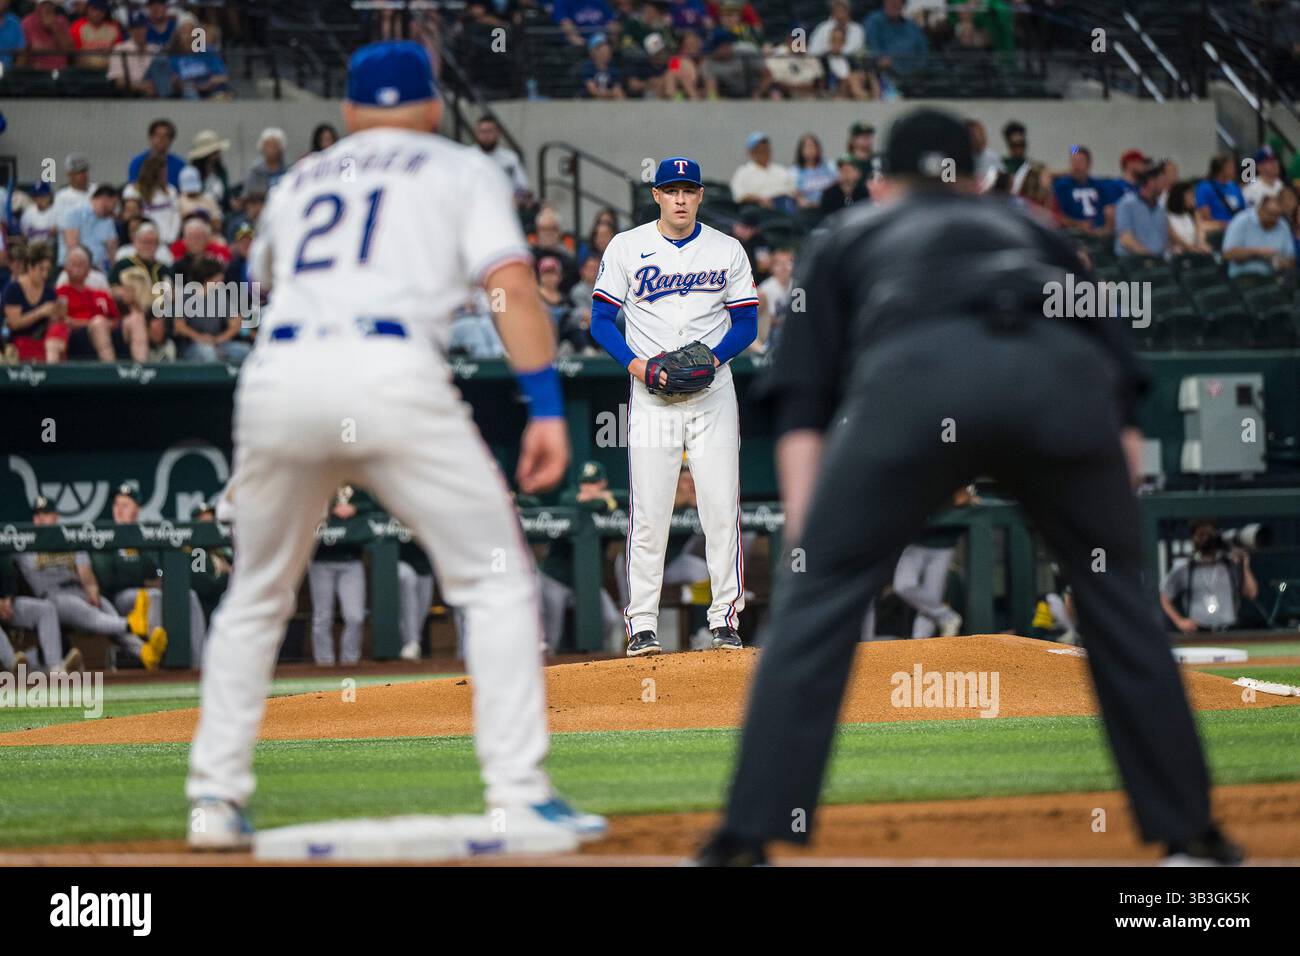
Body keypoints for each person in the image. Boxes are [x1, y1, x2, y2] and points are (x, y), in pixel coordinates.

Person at [694, 107, 1240, 867]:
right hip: (1063, 383)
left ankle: (744, 841)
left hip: (915, 378)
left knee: (817, 599)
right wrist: (1114, 526)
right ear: (981, 181)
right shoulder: (1036, 231)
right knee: (1120, 602)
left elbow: (803, 403)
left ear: (880, 184)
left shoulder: (849, 234)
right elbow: (1123, 386)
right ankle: (1194, 838)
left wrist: (808, 539)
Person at [185, 40, 602, 851]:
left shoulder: (297, 180)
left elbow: (264, 282)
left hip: (279, 373)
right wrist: (545, 404)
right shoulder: (457, 167)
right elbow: (510, 285)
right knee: (492, 581)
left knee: (257, 594)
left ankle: (212, 801)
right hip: (390, 368)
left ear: (346, 113)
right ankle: (518, 795)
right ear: (433, 109)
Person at [589, 156, 757, 656]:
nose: (680, 199)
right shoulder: (627, 246)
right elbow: (600, 321)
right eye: (671, 190)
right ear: (657, 196)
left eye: (689, 190)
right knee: (649, 513)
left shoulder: (727, 249)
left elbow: (746, 325)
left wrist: (710, 359)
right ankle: (641, 623)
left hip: (712, 396)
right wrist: (639, 366)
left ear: (700, 196)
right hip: (652, 396)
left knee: (720, 509)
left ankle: (725, 619)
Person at [16, 496, 167, 670]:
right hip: (51, 596)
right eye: (37, 515)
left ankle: (144, 653)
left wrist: (92, 589)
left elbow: (85, 572)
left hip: (77, 589)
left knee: (103, 605)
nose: (40, 519)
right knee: (82, 610)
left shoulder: (68, 538)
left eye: (46, 514)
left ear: (56, 516)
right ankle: (131, 623)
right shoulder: (24, 541)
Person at [95, 484, 207, 663]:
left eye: (125, 505)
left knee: (189, 596)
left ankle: (198, 664)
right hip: (121, 598)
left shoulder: (144, 535)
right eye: (116, 505)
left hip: (147, 592)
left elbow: (158, 569)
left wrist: (150, 575)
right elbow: (107, 578)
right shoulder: (105, 534)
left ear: (136, 510)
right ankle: (163, 658)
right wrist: (141, 576)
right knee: (153, 596)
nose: (119, 510)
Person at [306, 485, 370, 666]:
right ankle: (324, 665)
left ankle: (349, 663)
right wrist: (327, 508)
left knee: (355, 616)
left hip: (351, 560)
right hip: (320, 559)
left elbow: (375, 504)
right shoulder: (317, 476)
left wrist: (355, 508)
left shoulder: (358, 481)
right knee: (322, 616)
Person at [1160, 521, 1258, 634]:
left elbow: (1251, 593)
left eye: (1209, 534)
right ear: (1193, 538)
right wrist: (1179, 621)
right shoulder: (1184, 567)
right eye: (1201, 535)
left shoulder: (1230, 565)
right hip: (1198, 631)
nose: (1206, 539)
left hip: (1229, 630)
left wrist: (1245, 566)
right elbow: (1164, 596)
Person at [2, 241, 64, 363]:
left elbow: (53, 324)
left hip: (44, 341)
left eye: (48, 270)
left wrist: (57, 314)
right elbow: (14, 324)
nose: (45, 275)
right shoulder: (13, 289)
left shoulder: (49, 292)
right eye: (41, 269)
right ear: (30, 267)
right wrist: (40, 312)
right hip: (16, 341)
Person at [1222, 194, 1296, 278]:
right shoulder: (1242, 221)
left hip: (1274, 277)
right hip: (1244, 276)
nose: (1273, 219)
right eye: (1270, 214)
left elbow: (1291, 259)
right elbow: (1227, 254)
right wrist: (1258, 252)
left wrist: (1281, 263)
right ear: (1260, 209)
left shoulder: (1282, 224)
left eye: (1277, 215)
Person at [730, 131, 798, 212]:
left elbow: (793, 191)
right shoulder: (743, 172)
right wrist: (760, 199)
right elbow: (740, 196)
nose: (763, 152)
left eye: (765, 149)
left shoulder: (781, 170)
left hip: (784, 205)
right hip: (757, 207)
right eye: (759, 150)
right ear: (751, 153)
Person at [1113, 163, 1168, 258]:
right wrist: (1148, 256)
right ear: (1151, 182)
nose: (1164, 186)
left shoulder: (1160, 209)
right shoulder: (1127, 204)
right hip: (1134, 261)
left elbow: (1164, 241)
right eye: (1161, 182)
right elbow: (1126, 239)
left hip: (1158, 262)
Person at [124, 156, 181, 244]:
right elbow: (131, 219)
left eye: (165, 172)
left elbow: (176, 216)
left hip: (169, 238)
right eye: (162, 173)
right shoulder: (133, 190)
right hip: (146, 238)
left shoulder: (171, 190)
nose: (165, 175)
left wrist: (172, 237)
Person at [1051, 146, 1107, 233]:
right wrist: (1079, 224)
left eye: (1080, 162)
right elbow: (1058, 216)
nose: (1076, 166)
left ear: (1088, 164)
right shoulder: (1062, 186)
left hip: (1099, 234)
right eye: (1073, 162)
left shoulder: (1099, 186)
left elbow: (1107, 211)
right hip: (1073, 234)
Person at [1195, 154, 1247, 234]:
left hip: (1238, 229)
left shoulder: (1234, 186)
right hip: (1217, 231)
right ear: (1221, 170)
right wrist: (1227, 225)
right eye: (1230, 167)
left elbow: (1243, 211)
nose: (1234, 170)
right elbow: (1206, 218)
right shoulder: (1204, 188)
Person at [128, 118, 186, 188]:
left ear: (171, 139)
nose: (161, 139)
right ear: (150, 137)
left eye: (165, 136)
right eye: (158, 135)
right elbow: (134, 187)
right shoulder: (137, 162)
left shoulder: (180, 165)